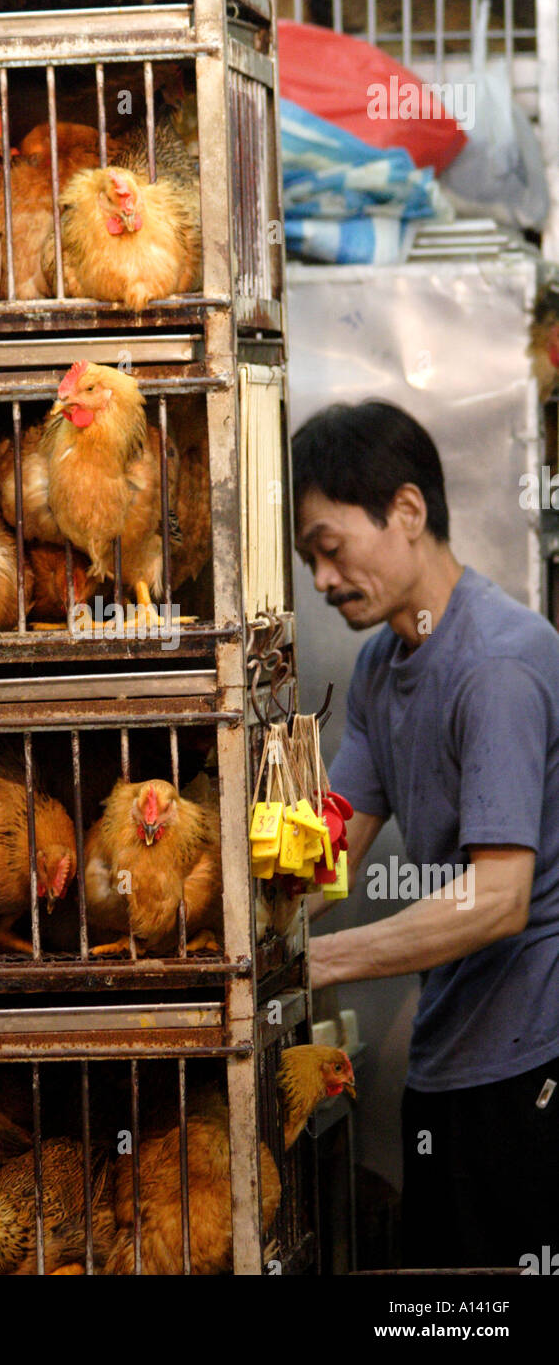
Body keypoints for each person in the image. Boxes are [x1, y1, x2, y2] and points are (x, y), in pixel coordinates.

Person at [292, 399, 559, 1270]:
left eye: (331, 549)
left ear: (407, 511)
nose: (323, 581)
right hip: (448, 1061)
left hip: (531, 1063)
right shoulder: (381, 666)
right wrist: (234, 925)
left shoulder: (499, 664)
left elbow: (498, 900)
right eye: (310, 561)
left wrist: (314, 965)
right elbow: (329, 855)